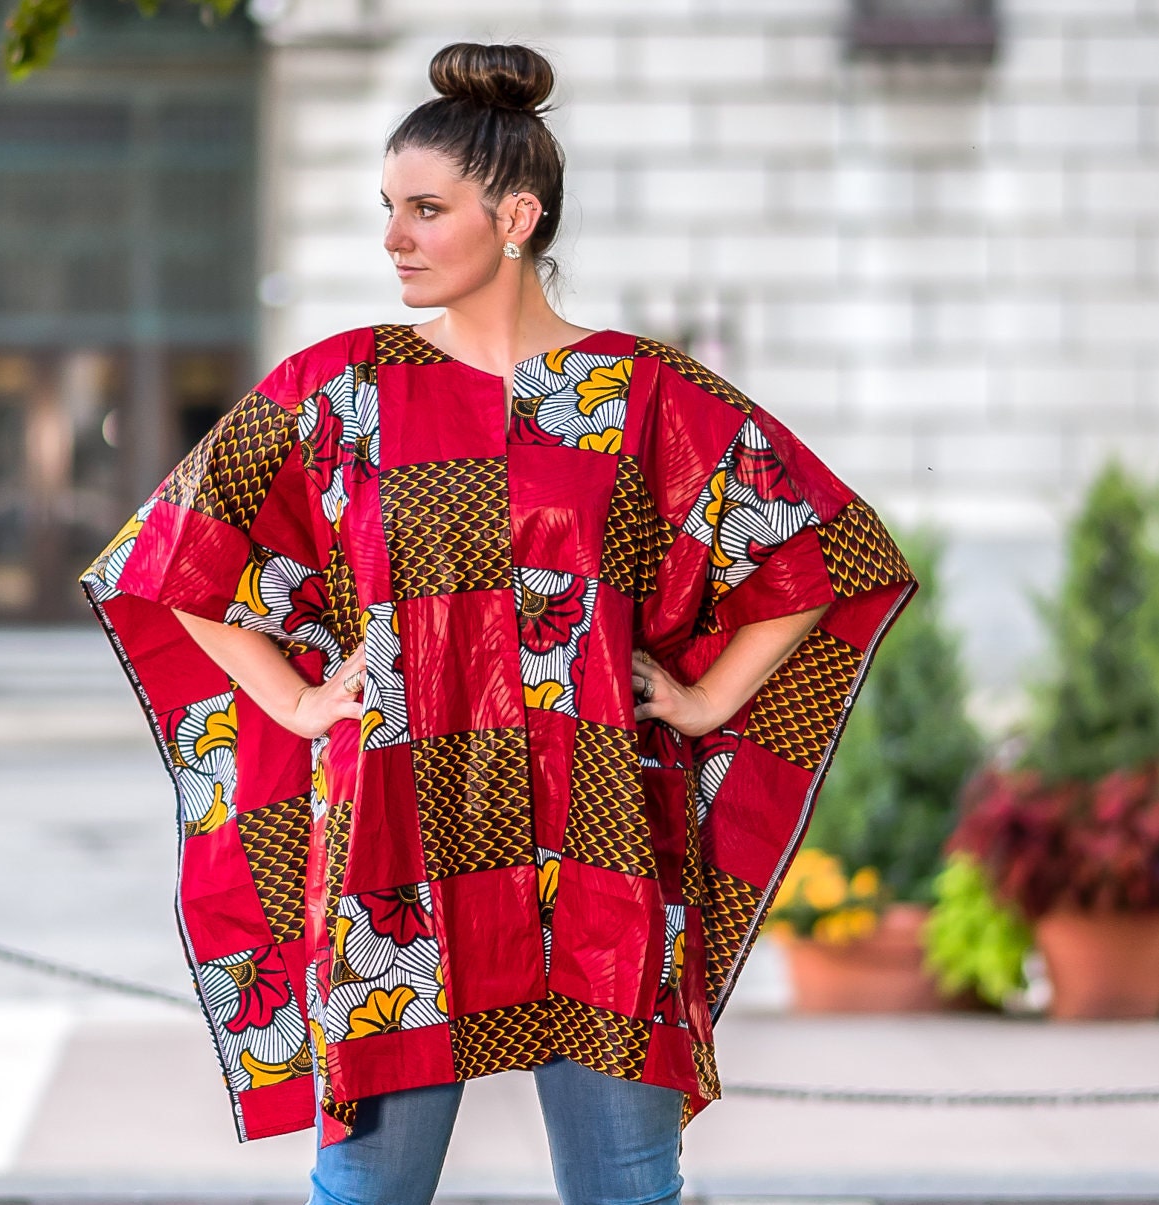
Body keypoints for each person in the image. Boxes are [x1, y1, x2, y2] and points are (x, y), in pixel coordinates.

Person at [79, 41, 915, 1205]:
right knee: (365, 1188)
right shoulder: (341, 391)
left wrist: (715, 697)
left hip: (601, 844)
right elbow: (174, 558)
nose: (395, 238)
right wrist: (296, 698)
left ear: (516, 216)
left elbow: (821, 547)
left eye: (426, 209)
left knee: (627, 1186)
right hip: (399, 848)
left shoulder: (642, 394)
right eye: (389, 209)